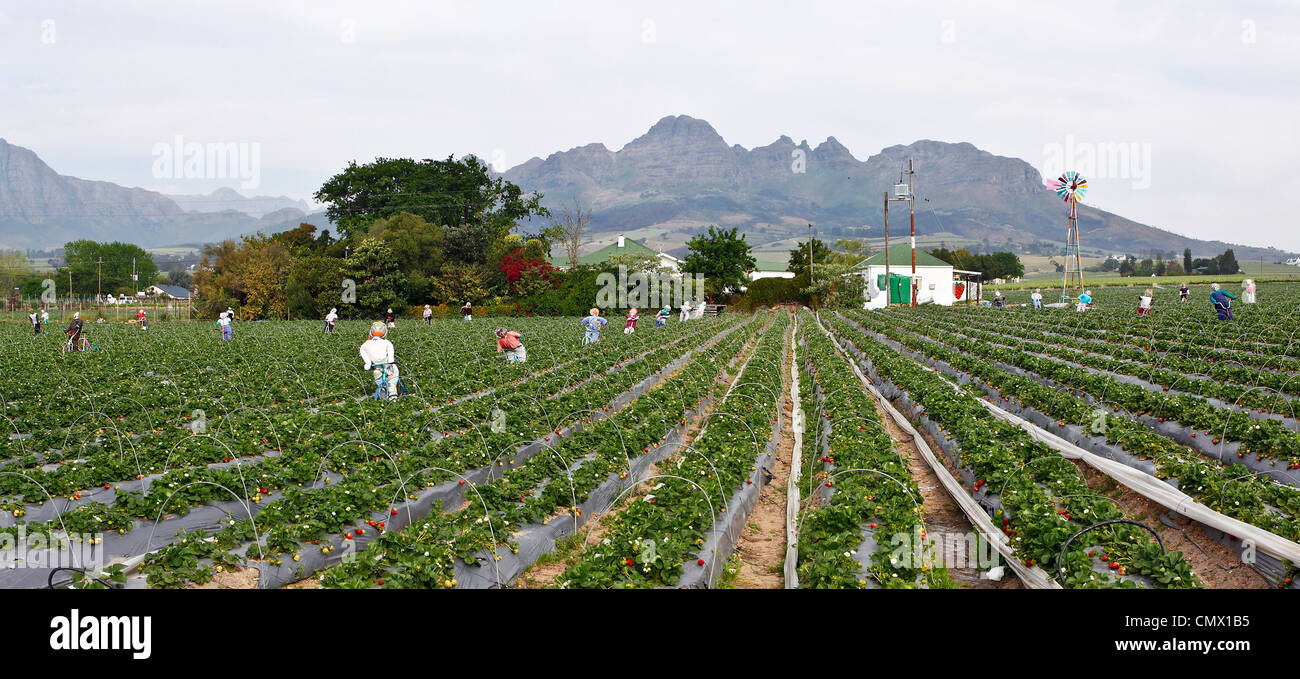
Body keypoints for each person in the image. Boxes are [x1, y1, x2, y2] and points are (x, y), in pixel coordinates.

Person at [360, 321, 400, 400]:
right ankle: (392, 395)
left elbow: (362, 351)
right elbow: (391, 357)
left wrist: (368, 363)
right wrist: (393, 364)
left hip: (376, 368)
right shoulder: (387, 343)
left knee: (380, 382)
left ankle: (382, 395)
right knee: (392, 380)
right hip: (387, 366)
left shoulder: (366, 344)